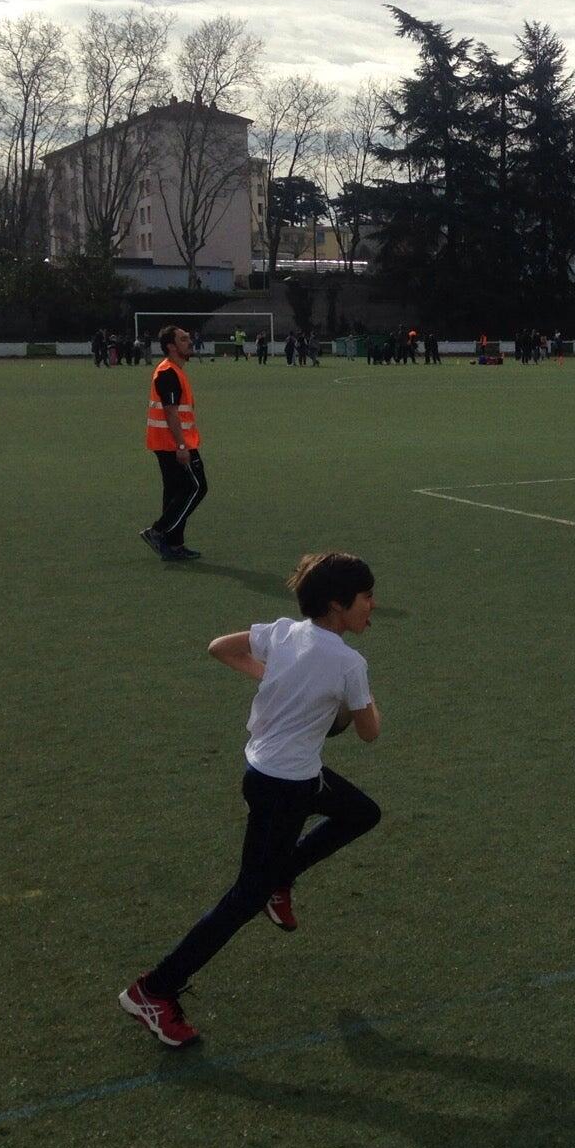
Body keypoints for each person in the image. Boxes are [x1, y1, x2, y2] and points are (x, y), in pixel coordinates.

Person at [118, 552, 383, 1048]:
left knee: (361, 812)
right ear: (337, 605)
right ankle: (154, 990)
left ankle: (280, 879)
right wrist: (362, 700)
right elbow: (368, 733)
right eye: (366, 597)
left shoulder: (284, 631)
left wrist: (277, 680)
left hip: (273, 772)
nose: (373, 605)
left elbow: (220, 647)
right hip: (285, 788)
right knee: (244, 896)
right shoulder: (350, 663)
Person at [140, 325, 209, 562]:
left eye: (188, 337)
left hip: (167, 442)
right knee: (197, 487)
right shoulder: (168, 372)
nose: (189, 342)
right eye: (183, 339)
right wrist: (181, 446)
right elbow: (170, 412)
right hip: (174, 444)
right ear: (171, 346)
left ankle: (174, 544)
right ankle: (158, 531)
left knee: (174, 493)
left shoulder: (174, 371)